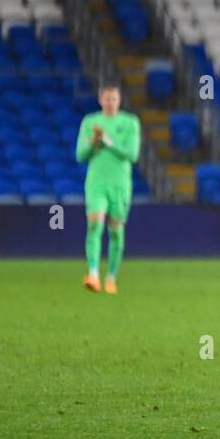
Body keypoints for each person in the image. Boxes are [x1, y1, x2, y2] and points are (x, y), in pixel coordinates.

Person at [76, 82, 141, 294]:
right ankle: (93, 274)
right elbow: (80, 155)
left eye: (114, 98)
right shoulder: (90, 122)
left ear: (119, 100)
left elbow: (132, 155)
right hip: (96, 182)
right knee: (94, 226)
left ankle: (111, 277)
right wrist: (94, 141)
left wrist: (108, 141)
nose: (110, 102)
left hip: (120, 185)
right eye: (107, 98)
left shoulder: (130, 123)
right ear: (100, 99)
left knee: (116, 232)